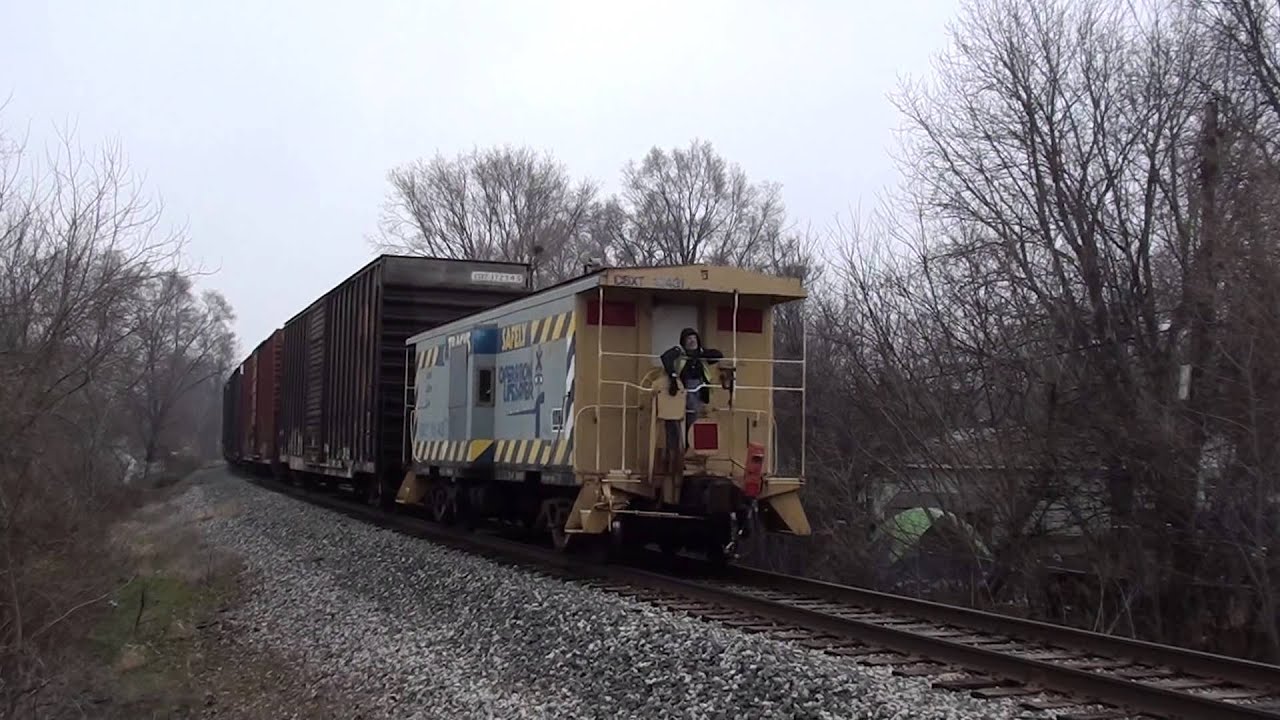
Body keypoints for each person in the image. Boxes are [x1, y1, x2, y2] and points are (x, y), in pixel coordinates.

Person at [659, 328, 724, 453]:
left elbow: (718, 355)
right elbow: (665, 357)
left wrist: (701, 352)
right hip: (678, 391)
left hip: (697, 391)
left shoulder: (701, 354)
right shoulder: (679, 352)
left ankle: (689, 451)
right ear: (683, 341)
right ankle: (674, 451)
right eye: (688, 338)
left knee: (693, 421)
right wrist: (672, 376)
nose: (692, 341)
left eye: (694, 338)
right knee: (673, 421)